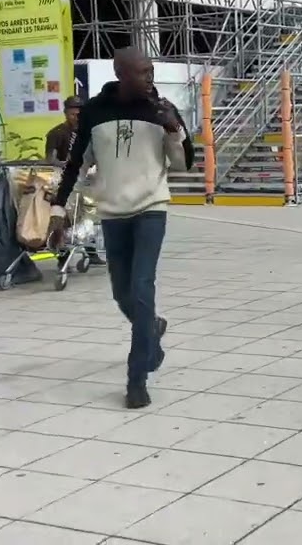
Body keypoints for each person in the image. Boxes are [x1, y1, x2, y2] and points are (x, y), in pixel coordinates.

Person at [47, 47, 190, 409]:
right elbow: (76, 164)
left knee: (141, 288)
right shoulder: (95, 112)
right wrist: (58, 210)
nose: (150, 78)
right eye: (142, 72)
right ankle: (151, 331)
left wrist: (173, 128)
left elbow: (185, 163)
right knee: (121, 294)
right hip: (112, 214)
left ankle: (136, 378)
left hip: (151, 209)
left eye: (151, 70)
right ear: (120, 74)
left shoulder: (162, 109)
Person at [46, 96, 104, 267]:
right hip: (65, 180)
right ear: (65, 113)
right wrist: (66, 165)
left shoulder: (90, 133)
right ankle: (62, 257)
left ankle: (91, 253)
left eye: (80, 114)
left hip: (87, 180)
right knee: (66, 219)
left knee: (88, 217)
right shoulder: (56, 133)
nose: (76, 118)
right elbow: (50, 159)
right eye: (73, 114)